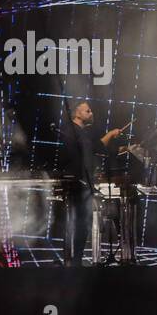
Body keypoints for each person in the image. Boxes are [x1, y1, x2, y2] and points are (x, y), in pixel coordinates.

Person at [58, 101, 127, 265]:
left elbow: (97, 147)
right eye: (88, 111)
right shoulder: (70, 131)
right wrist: (110, 135)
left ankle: (76, 260)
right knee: (77, 222)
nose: (91, 113)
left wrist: (113, 137)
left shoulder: (84, 133)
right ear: (77, 113)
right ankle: (72, 261)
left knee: (84, 223)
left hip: (85, 183)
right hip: (76, 183)